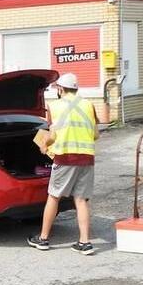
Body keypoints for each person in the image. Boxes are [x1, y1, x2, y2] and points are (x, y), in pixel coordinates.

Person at [28, 72, 98, 255]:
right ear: (76, 89)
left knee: (54, 196)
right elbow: (96, 134)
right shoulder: (89, 105)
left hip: (65, 158)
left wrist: (44, 145)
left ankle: (43, 239)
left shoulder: (55, 106)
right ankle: (85, 242)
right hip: (87, 158)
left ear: (60, 89)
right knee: (81, 199)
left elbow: (52, 135)